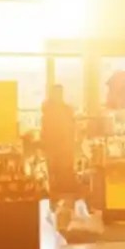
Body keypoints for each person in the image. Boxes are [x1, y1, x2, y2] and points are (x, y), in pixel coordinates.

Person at [41, 84, 77, 227]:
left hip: (59, 147)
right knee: (58, 173)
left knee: (59, 173)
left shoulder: (53, 110)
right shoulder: (58, 110)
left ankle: (60, 206)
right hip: (58, 147)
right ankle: (59, 205)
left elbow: (69, 128)